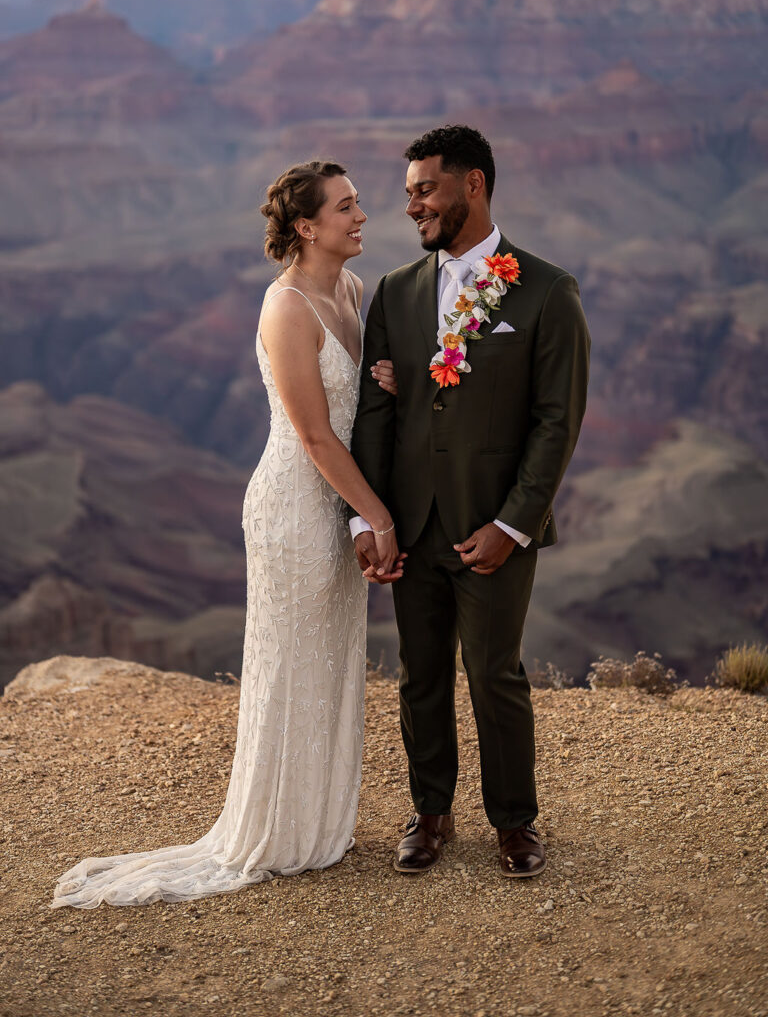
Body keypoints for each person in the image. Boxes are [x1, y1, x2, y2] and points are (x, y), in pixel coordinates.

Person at [52, 160, 402, 908]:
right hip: (296, 509)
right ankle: (271, 831)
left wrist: (388, 393)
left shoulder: (350, 289)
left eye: (358, 203)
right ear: (307, 227)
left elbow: (355, 413)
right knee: (291, 662)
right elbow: (313, 435)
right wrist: (377, 516)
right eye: (346, 207)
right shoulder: (287, 308)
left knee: (329, 658)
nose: (362, 215)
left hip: (337, 502)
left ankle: (313, 823)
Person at [351, 125, 590, 878]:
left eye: (426, 188)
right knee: (421, 674)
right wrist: (371, 519)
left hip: (493, 526)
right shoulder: (394, 292)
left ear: (474, 185)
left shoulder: (547, 291)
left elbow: (558, 420)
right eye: (410, 190)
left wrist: (515, 523)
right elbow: (378, 412)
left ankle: (515, 823)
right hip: (412, 527)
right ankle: (430, 813)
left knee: (496, 675)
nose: (412, 204)